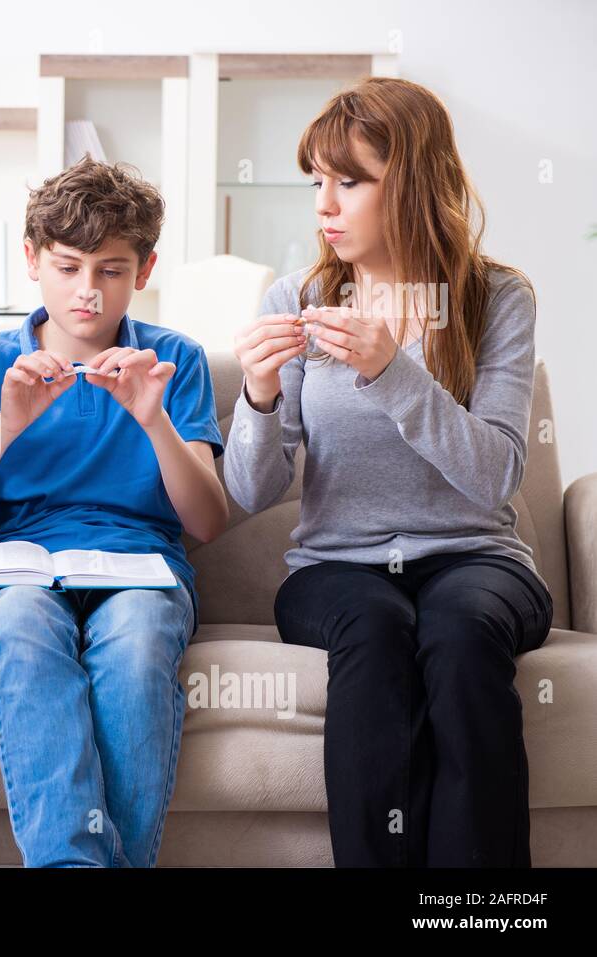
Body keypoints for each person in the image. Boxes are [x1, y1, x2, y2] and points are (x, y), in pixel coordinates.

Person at [223, 77, 552, 867]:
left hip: (476, 558)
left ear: (408, 182)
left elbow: (497, 472)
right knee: (374, 632)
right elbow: (249, 490)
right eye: (316, 183)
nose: (323, 206)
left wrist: (391, 371)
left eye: (349, 181)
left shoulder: (495, 299)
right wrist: (258, 396)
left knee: (462, 630)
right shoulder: (299, 297)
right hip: (338, 566)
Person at [0, 157, 228, 866]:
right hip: (19, 571)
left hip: (142, 571)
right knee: (24, 627)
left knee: (140, 635)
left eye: (111, 271)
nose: (88, 292)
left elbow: (208, 521)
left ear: (143, 270)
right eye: (67, 267)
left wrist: (155, 423)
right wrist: (7, 425)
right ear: (32, 260)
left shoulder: (174, 359)